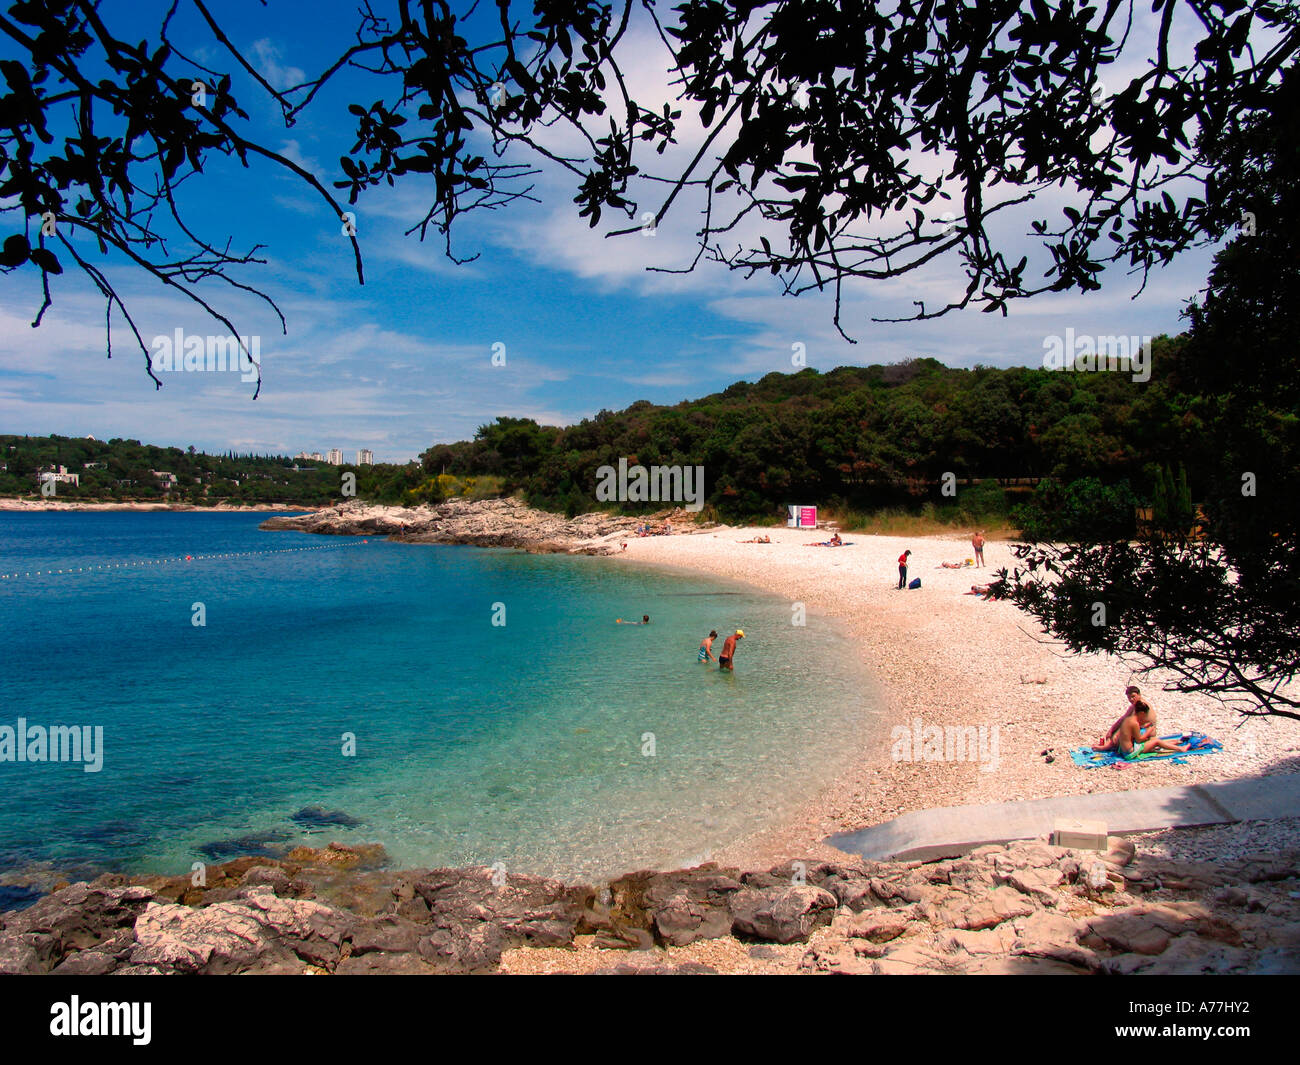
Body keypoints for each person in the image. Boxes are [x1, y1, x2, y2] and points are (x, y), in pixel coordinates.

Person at [1116, 700, 1188, 760]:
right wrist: (1149, 731)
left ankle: (1175, 742)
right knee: (1156, 741)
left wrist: (1143, 727)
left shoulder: (1128, 719)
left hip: (1123, 750)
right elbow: (1139, 740)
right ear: (1142, 713)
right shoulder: (1135, 723)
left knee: (1152, 742)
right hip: (1130, 753)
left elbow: (1131, 733)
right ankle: (1181, 749)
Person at [1094, 685, 1144, 751]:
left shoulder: (1141, 706)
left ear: (1139, 695)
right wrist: (1111, 730)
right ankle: (1108, 744)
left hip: (1142, 730)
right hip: (1134, 726)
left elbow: (1131, 723)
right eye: (1129, 698)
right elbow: (1123, 718)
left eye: (1133, 696)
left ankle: (1107, 746)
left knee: (1122, 732)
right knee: (1115, 731)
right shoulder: (1133, 706)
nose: (1131, 699)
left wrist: (1117, 734)